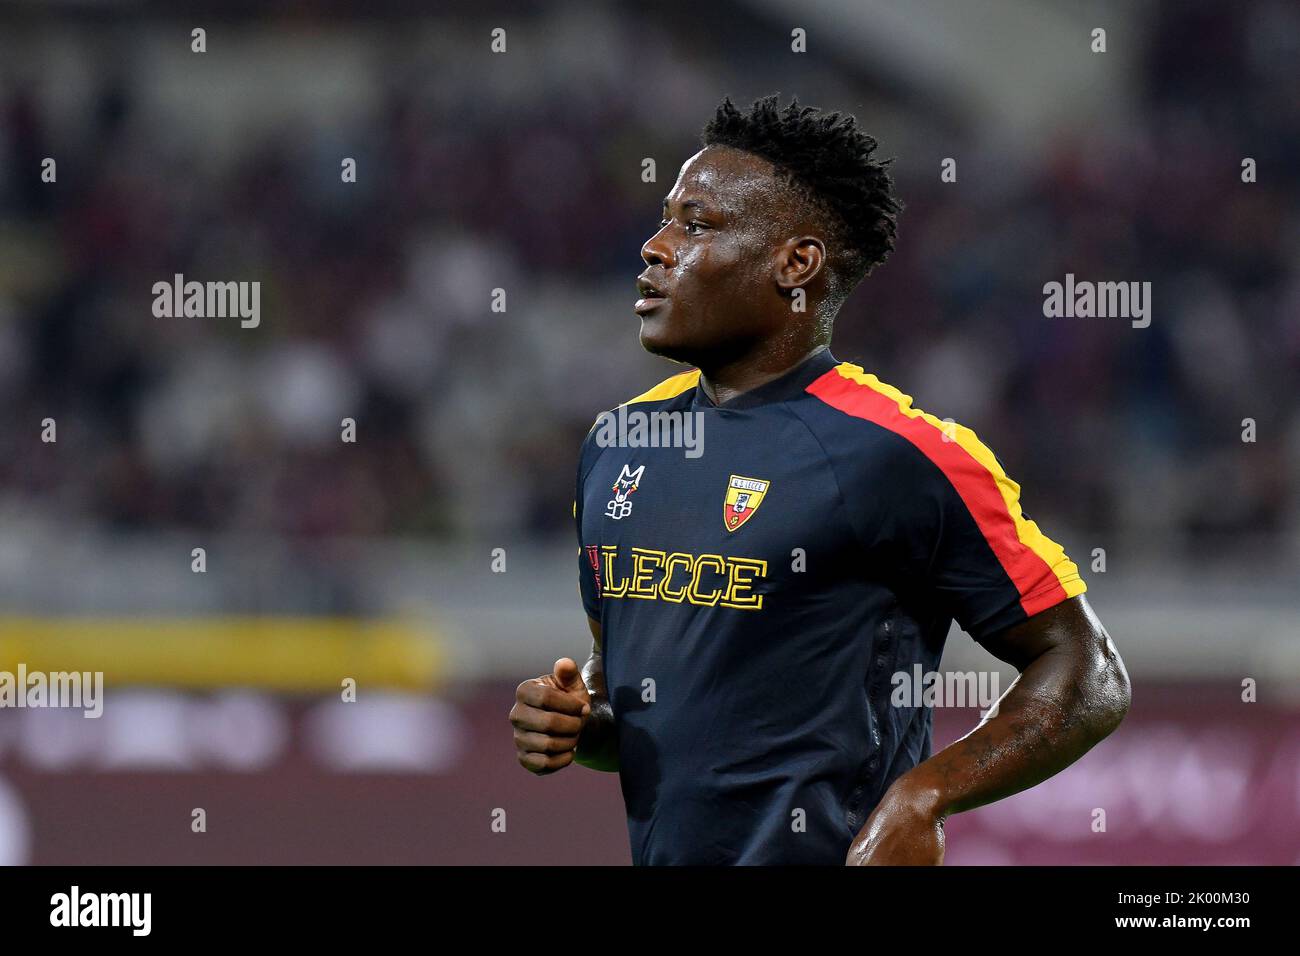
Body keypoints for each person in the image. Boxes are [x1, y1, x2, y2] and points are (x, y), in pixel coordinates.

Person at [510, 94, 1130, 865]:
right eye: (666, 218)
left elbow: (1086, 669)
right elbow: (623, 697)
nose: (656, 246)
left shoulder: (900, 453)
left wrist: (927, 794)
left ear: (796, 264)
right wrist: (580, 720)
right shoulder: (616, 443)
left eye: (697, 225)